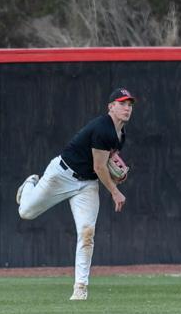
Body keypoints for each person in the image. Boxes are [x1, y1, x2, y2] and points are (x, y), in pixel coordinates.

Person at [16, 88, 135, 301]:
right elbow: (100, 168)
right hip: (61, 175)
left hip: (86, 184)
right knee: (26, 212)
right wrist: (115, 191)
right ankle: (28, 185)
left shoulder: (120, 135)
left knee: (87, 233)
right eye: (122, 103)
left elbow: (105, 164)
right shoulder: (102, 128)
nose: (127, 108)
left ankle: (80, 287)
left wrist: (116, 176)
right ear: (111, 107)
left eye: (130, 104)